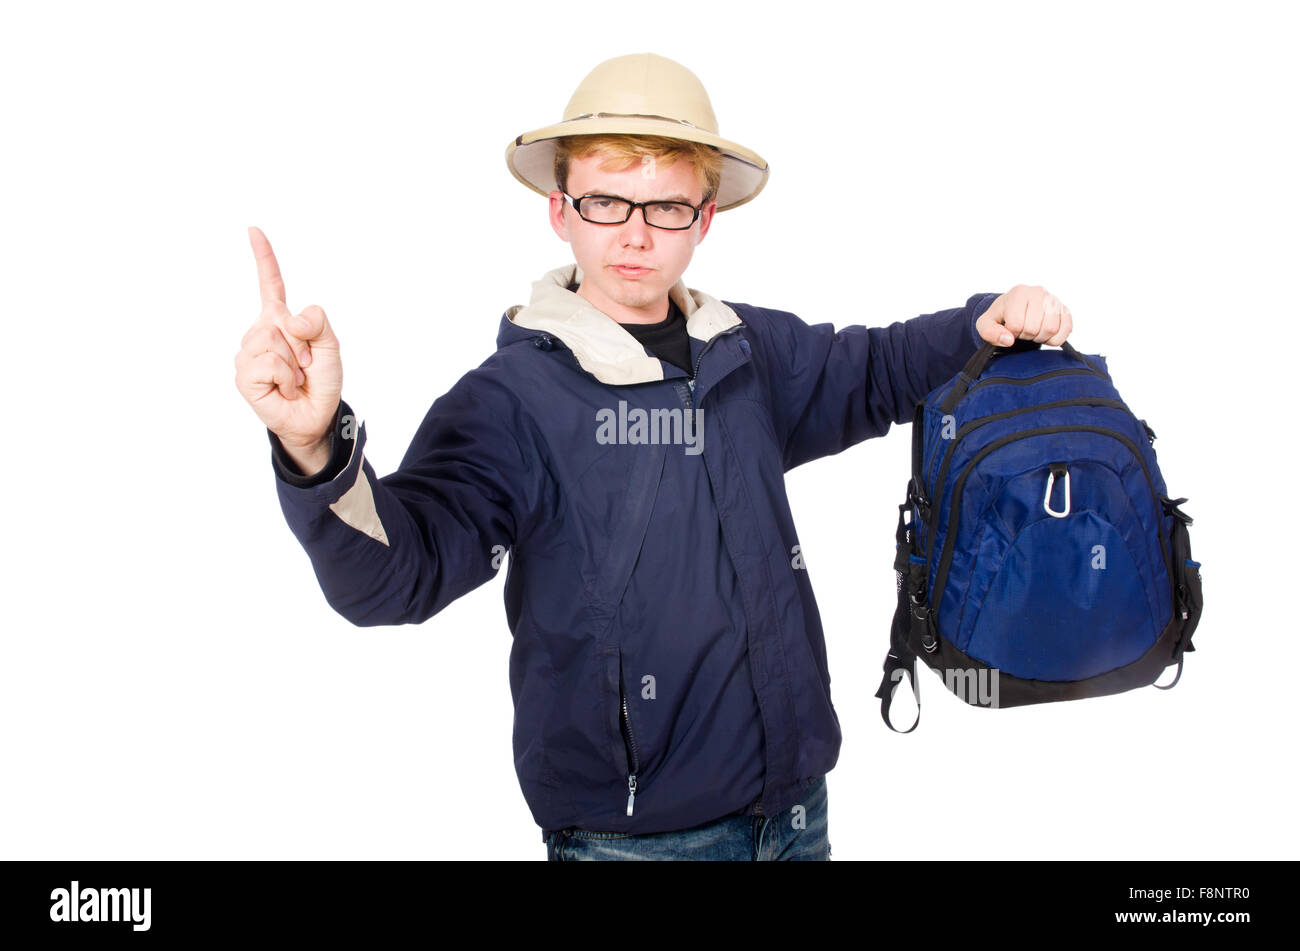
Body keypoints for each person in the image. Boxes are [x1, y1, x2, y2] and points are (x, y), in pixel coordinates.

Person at [234, 52, 1074, 861]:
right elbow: (396, 574)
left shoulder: (749, 352)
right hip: (628, 844)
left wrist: (983, 321)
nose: (634, 234)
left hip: (796, 815)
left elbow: (877, 367)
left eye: (666, 207)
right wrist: (314, 448)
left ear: (705, 218)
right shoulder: (511, 401)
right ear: (560, 210)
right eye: (606, 201)